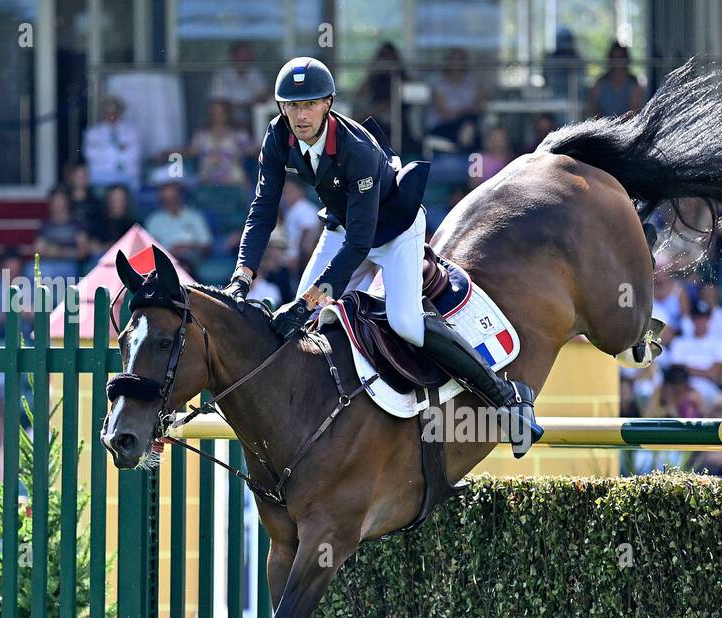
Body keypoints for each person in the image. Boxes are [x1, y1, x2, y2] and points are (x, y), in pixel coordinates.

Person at [228, 56, 542, 455]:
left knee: (405, 321)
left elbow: (361, 244)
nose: (300, 115)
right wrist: (243, 274)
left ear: (328, 104)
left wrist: (305, 301)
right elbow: (262, 209)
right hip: (344, 225)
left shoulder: (355, 148)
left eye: (309, 104)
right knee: (298, 325)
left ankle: (506, 394)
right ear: (280, 108)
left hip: (393, 230)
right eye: (291, 105)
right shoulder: (277, 137)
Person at [143, 182, 212, 269]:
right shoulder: (154, 220)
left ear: (180, 196)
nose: (171, 202)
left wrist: (190, 247)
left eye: (173, 198)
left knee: (184, 267)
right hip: (166, 260)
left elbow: (207, 245)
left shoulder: (195, 216)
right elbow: (150, 248)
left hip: (191, 260)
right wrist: (171, 252)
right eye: (167, 200)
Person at [82, 95, 142, 192]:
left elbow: (133, 156)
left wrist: (104, 150)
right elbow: (91, 156)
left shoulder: (132, 132)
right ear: (103, 113)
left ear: (121, 112)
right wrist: (118, 149)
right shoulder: (92, 133)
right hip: (100, 180)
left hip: (127, 179)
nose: (112, 114)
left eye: (115, 111)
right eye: (108, 111)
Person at [207, 42, 270, 128]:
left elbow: (263, 95)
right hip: (228, 117)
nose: (243, 59)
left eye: (245, 56)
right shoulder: (221, 74)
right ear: (233, 56)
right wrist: (239, 106)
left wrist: (245, 106)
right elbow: (218, 100)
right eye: (240, 56)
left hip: (251, 116)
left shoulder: (255, 73)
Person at [587, 43, 645, 119]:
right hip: (603, 127)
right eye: (614, 58)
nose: (617, 61)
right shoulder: (600, 84)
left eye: (620, 58)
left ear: (626, 60)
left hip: (627, 127)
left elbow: (634, 111)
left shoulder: (634, 85)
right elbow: (592, 108)